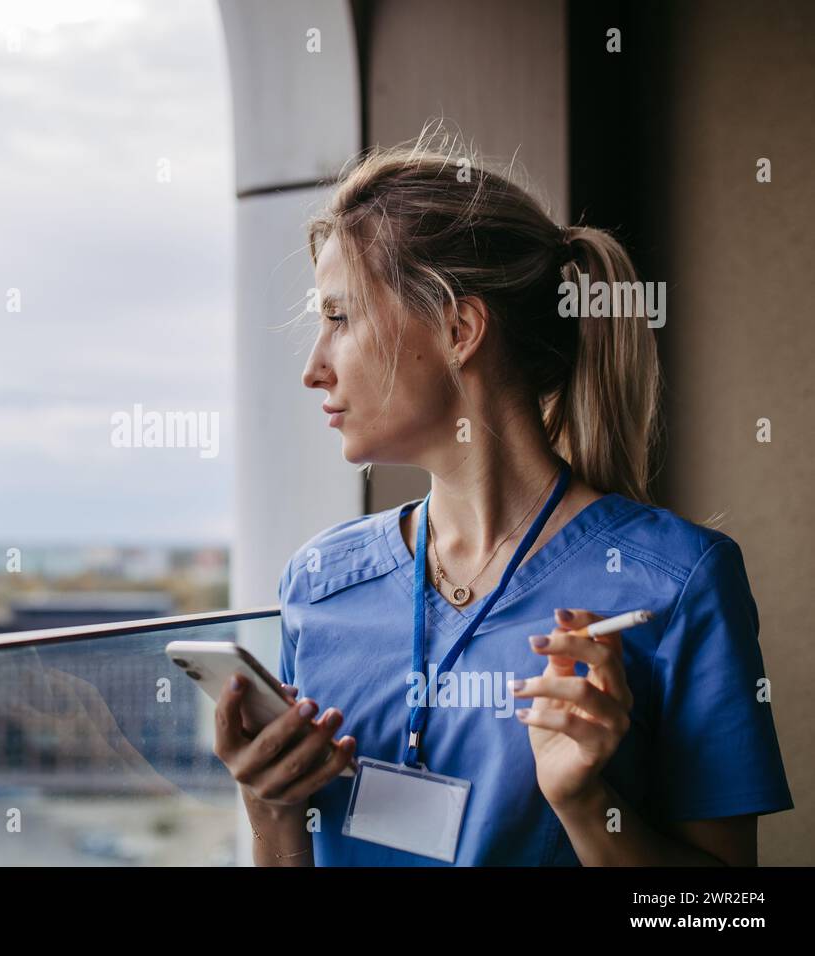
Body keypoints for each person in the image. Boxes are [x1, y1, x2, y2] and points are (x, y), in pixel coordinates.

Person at [212, 127, 794, 866]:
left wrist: (588, 807)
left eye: (339, 318)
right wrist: (271, 816)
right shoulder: (318, 584)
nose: (313, 370)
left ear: (459, 328)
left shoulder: (677, 584)